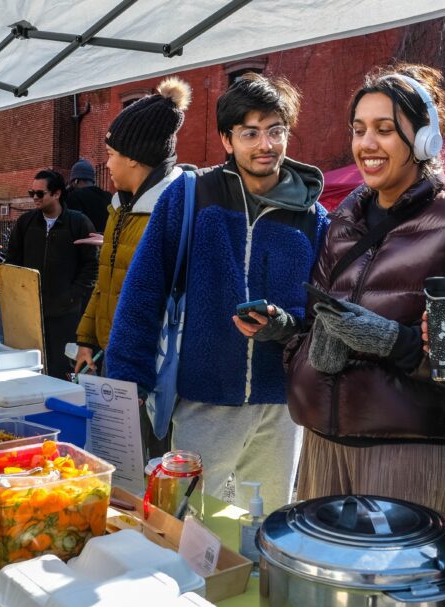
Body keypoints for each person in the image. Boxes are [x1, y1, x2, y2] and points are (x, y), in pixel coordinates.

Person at [283, 65, 445, 516]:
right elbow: (311, 321)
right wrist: (303, 350)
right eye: (359, 129)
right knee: (317, 561)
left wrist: (394, 343)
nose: (367, 143)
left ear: (424, 140)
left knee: (397, 565)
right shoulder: (343, 221)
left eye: (384, 130)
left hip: (410, 451)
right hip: (322, 444)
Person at [106, 73, 328, 510]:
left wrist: (285, 325)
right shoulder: (191, 196)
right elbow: (143, 291)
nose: (265, 145)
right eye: (250, 133)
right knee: (188, 522)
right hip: (202, 400)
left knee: (263, 524)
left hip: (281, 407)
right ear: (227, 139)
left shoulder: (313, 216)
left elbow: (324, 311)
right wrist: (126, 383)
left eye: (276, 131)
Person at [73, 77, 191, 460]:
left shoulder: (170, 211)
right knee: (116, 462)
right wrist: (87, 339)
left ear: (135, 159)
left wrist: (137, 373)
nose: (107, 163)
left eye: (111, 154)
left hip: (151, 372)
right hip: (114, 360)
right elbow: (105, 284)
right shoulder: (119, 208)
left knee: (150, 464)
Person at [6, 169, 98, 378]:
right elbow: (13, 263)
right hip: (30, 312)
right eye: (32, 193)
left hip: (66, 314)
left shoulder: (78, 222)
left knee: (62, 369)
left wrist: (72, 295)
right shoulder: (25, 222)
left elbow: (91, 266)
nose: (34, 198)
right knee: (31, 367)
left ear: (57, 194)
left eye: (40, 193)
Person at [65, 157, 112, 235]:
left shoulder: (74, 196)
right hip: (105, 239)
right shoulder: (108, 196)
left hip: (85, 240)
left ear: (76, 181)